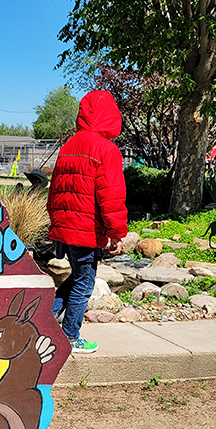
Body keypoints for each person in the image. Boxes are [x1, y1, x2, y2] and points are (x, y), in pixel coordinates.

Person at [47, 90, 128, 353]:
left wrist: (55, 224)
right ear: (111, 116)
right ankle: (70, 336)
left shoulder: (67, 147)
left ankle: (44, 322)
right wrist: (117, 233)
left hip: (66, 227)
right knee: (84, 283)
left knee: (78, 276)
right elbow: (111, 197)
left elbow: (54, 191)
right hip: (86, 230)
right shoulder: (107, 150)